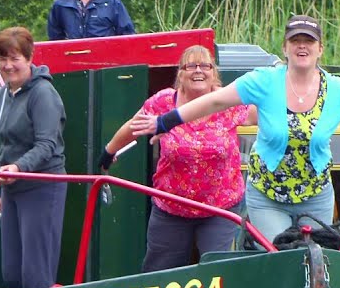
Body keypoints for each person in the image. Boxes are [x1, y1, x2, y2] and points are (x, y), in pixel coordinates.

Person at [131, 15, 340, 244]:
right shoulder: (263, 82)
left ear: (319, 49)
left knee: (316, 257)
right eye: (295, 41)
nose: (302, 47)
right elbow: (214, 102)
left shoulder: (338, 91)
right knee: (282, 252)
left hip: (315, 193)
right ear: (285, 47)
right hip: (267, 193)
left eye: (308, 42)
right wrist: (164, 122)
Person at [99, 46, 258, 272]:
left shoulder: (228, 103)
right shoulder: (162, 102)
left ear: (214, 73)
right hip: (171, 206)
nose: (198, 71)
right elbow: (134, 127)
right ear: (180, 74)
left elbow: (266, 117)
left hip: (220, 206)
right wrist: (109, 152)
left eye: (205, 66)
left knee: (219, 273)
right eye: (191, 66)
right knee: (159, 274)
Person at [0, 26, 69, 288]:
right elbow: (5, 142)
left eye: (15, 59)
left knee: (36, 275)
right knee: (11, 272)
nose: (8, 66)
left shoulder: (43, 94)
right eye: (3, 59)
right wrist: (5, 185)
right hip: (12, 187)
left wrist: (19, 167)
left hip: (42, 185)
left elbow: (47, 143)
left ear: (29, 58)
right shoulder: (3, 94)